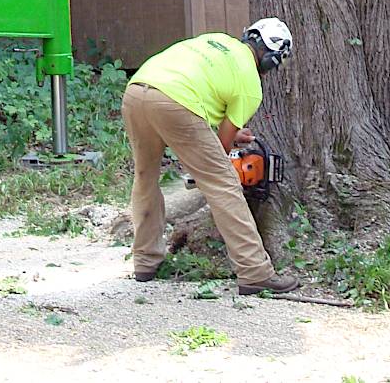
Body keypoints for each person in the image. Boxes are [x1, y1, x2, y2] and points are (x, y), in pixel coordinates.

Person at [122, 18, 300, 296]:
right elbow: (222, 148)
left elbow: (202, 87)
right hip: (175, 102)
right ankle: (255, 272)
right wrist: (222, 144)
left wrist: (224, 131)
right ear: (273, 59)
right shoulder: (250, 85)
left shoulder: (219, 41)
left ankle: (146, 261)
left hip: (138, 90)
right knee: (223, 183)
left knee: (146, 177)